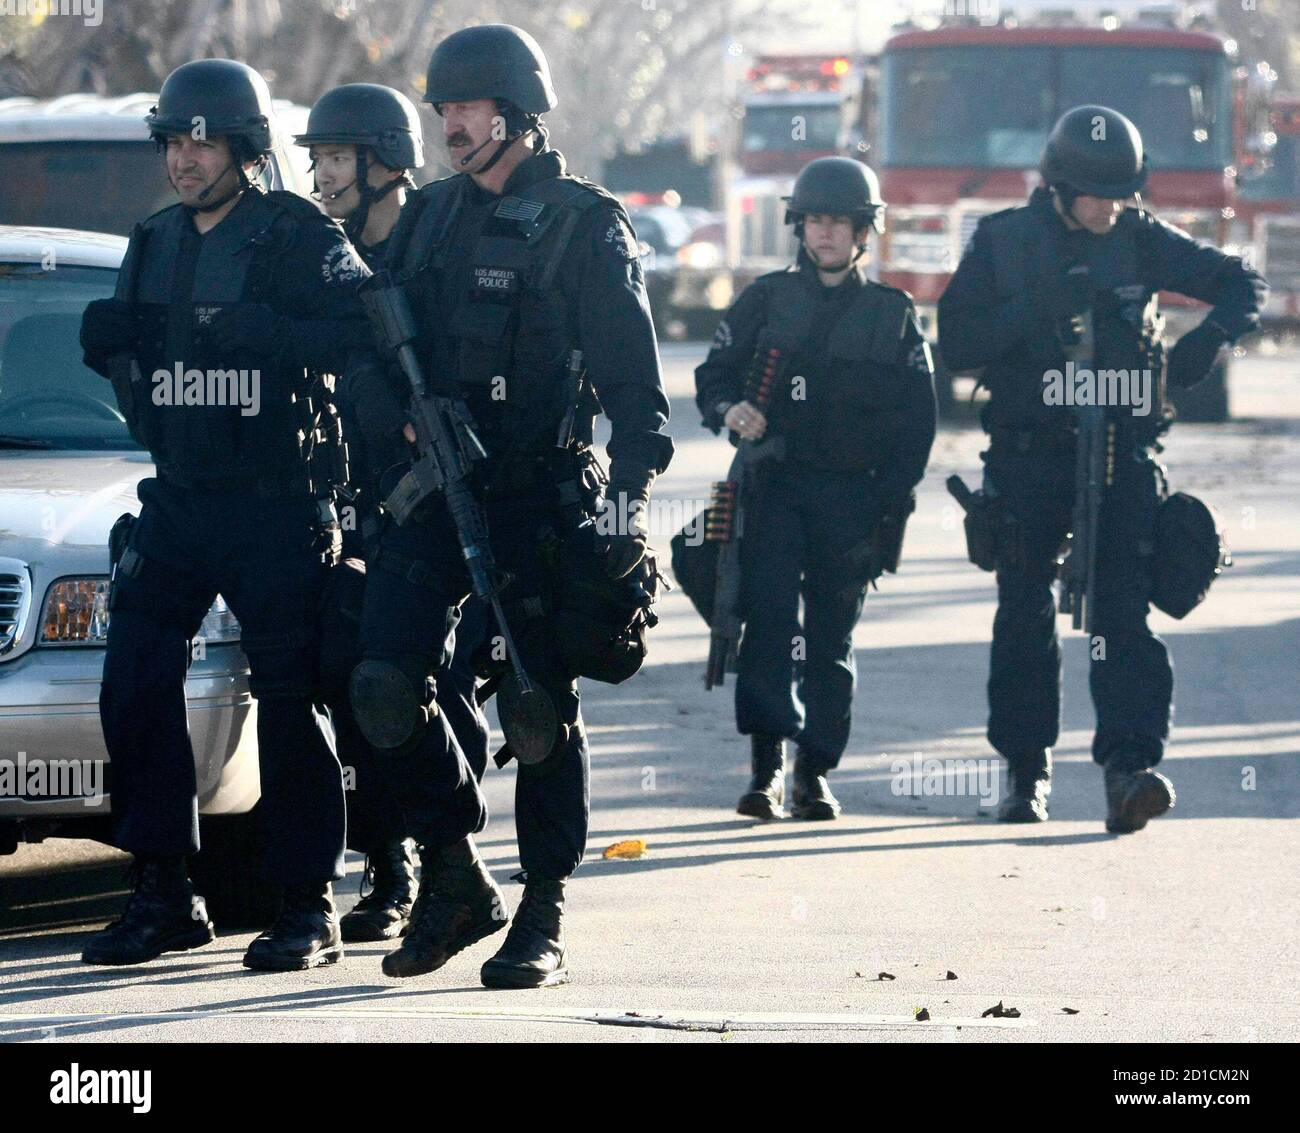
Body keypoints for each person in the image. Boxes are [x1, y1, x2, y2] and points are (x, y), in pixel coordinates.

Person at [344, 24, 672, 988]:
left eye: (468, 107)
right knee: (380, 681)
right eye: (442, 107)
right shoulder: (429, 216)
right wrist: (394, 417)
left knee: (536, 708)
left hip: (538, 494)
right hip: (434, 490)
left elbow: (636, 395)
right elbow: (364, 344)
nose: (449, 123)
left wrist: (630, 497)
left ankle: (543, 910)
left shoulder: (583, 222)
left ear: (517, 114)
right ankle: (454, 868)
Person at [77, 59, 368, 970]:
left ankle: (304, 902)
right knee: (130, 677)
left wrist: (279, 336)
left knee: (288, 696)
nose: (183, 158)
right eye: (172, 140)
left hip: (274, 500)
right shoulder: (154, 238)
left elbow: (367, 329)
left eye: (201, 140)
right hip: (180, 494)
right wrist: (107, 341)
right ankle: (166, 892)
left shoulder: (294, 231)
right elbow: (137, 358)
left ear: (243, 146)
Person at [938, 105, 1267, 832]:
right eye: (1098, 195)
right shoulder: (1004, 241)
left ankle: (1130, 770)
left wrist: (1208, 336)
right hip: (1030, 457)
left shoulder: (1139, 238)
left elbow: (1244, 284)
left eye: (1123, 194)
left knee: (1121, 614)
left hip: (1121, 454)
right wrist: (1033, 309)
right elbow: (955, 342)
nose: (1111, 208)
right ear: (1057, 187)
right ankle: (1025, 775)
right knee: (1024, 615)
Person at [295, 81, 491, 943]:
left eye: (335, 159)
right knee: (365, 673)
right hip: (367, 504)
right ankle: (403, 861)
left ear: (382, 163)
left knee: (429, 682)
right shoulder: (330, 260)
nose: (322, 176)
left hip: (458, 502)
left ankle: (450, 855)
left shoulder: (439, 242)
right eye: (317, 160)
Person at [695, 156, 937, 821]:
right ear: (799, 226)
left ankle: (815, 770)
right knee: (769, 626)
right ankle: (766, 768)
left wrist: (891, 498)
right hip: (774, 490)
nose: (827, 233)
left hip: (852, 500)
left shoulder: (891, 314)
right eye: (816, 220)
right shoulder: (765, 299)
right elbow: (713, 375)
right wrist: (729, 412)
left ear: (864, 232)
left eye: (841, 222)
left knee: (832, 639)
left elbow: (918, 419)